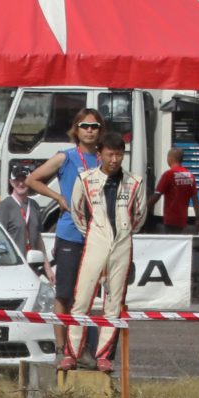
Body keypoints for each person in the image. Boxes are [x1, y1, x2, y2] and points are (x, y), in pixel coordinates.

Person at [24, 108, 104, 367]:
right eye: (85, 126)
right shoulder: (67, 157)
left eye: (94, 126)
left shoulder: (105, 159)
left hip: (97, 234)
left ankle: (82, 348)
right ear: (76, 129)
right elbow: (32, 180)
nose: (90, 130)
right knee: (64, 294)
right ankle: (62, 349)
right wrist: (58, 197)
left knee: (87, 296)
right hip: (70, 233)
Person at [64, 131, 147, 373]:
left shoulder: (135, 182)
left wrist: (125, 232)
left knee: (114, 302)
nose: (114, 160)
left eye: (119, 155)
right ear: (99, 154)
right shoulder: (86, 179)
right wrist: (92, 231)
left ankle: (104, 356)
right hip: (95, 239)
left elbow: (140, 216)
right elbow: (77, 211)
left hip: (122, 242)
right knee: (82, 298)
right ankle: (72, 352)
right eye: (110, 155)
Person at [0, 172, 49, 279]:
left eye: (24, 180)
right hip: (12, 268)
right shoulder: (5, 206)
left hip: (32, 267)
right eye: (17, 180)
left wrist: (47, 268)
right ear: (11, 182)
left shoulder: (34, 205)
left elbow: (38, 239)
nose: (20, 184)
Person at [150, 146, 199, 232]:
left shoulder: (169, 174)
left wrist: (144, 209)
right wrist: (198, 218)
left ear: (171, 158)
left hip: (170, 221)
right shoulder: (190, 175)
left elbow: (156, 196)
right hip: (183, 221)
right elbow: (195, 200)